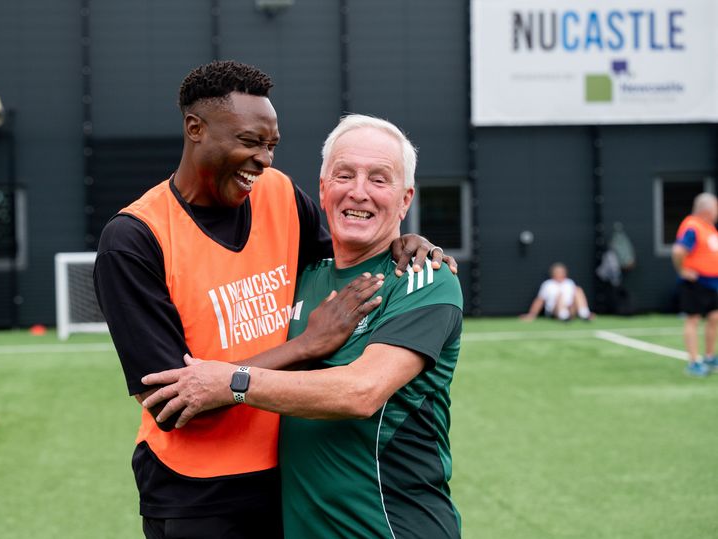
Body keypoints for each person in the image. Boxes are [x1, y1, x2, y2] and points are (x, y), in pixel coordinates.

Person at [93, 61, 453, 539]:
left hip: (286, 485)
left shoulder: (278, 195)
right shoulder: (135, 239)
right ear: (195, 129)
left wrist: (402, 242)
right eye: (249, 141)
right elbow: (171, 402)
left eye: (271, 145)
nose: (264, 160)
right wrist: (305, 346)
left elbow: (346, 255)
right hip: (198, 497)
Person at [672, 192, 718, 377]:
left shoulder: (709, 228)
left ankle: (709, 356)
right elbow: (678, 250)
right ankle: (693, 362)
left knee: (714, 317)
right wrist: (682, 270)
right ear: (708, 209)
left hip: (713, 282)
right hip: (696, 282)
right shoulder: (693, 226)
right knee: (693, 319)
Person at [520, 263, 592, 321]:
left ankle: (584, 314)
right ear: (553, 273)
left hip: (570, 309)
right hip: (554, 311)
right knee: (560, 296)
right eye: (558, 272)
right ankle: (563, 315)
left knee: (578, 290)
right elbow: (539, 300)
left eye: (562, 272)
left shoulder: (569, 282)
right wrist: (532, 315)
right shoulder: (547, 284)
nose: (560, 274)